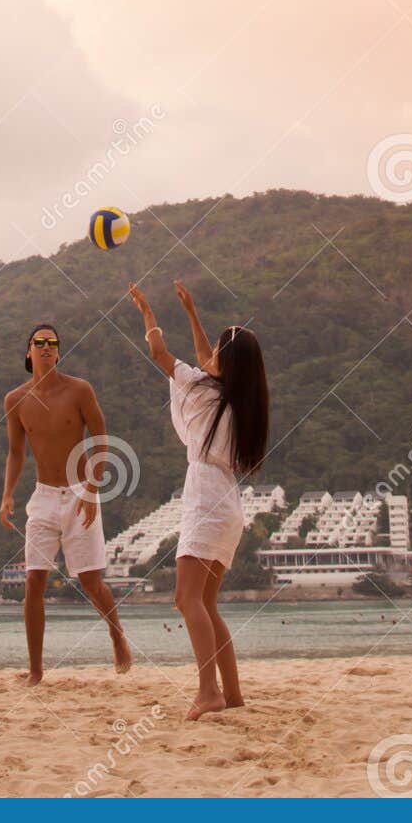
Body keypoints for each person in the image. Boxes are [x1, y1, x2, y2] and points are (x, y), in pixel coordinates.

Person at [129, 279, 269, 720]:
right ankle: (230, 692)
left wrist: (149, 318)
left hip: (206, 498)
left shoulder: (202, 389)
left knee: (187, 600)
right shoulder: (238, 401)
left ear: (224, 364)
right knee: (205, 603)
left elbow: (160, 356)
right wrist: (191, 315)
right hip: (227, 503)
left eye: (216, 354)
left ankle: (208, 692)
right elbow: (210, 361)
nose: (208, 358)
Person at [0, 325, 133, 685]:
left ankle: (116, 634)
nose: (45, 347)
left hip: (79, 492)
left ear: (58, 352)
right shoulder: (15, 400)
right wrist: (8, 493)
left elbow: (101, 437)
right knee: (34, 582)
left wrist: (92, 489)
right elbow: (16, 452)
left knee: (91, 582)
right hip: (43, 497)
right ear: (28, 353)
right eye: (38, 343)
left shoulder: (79, 389)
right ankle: (37, 671)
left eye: (52, 343)